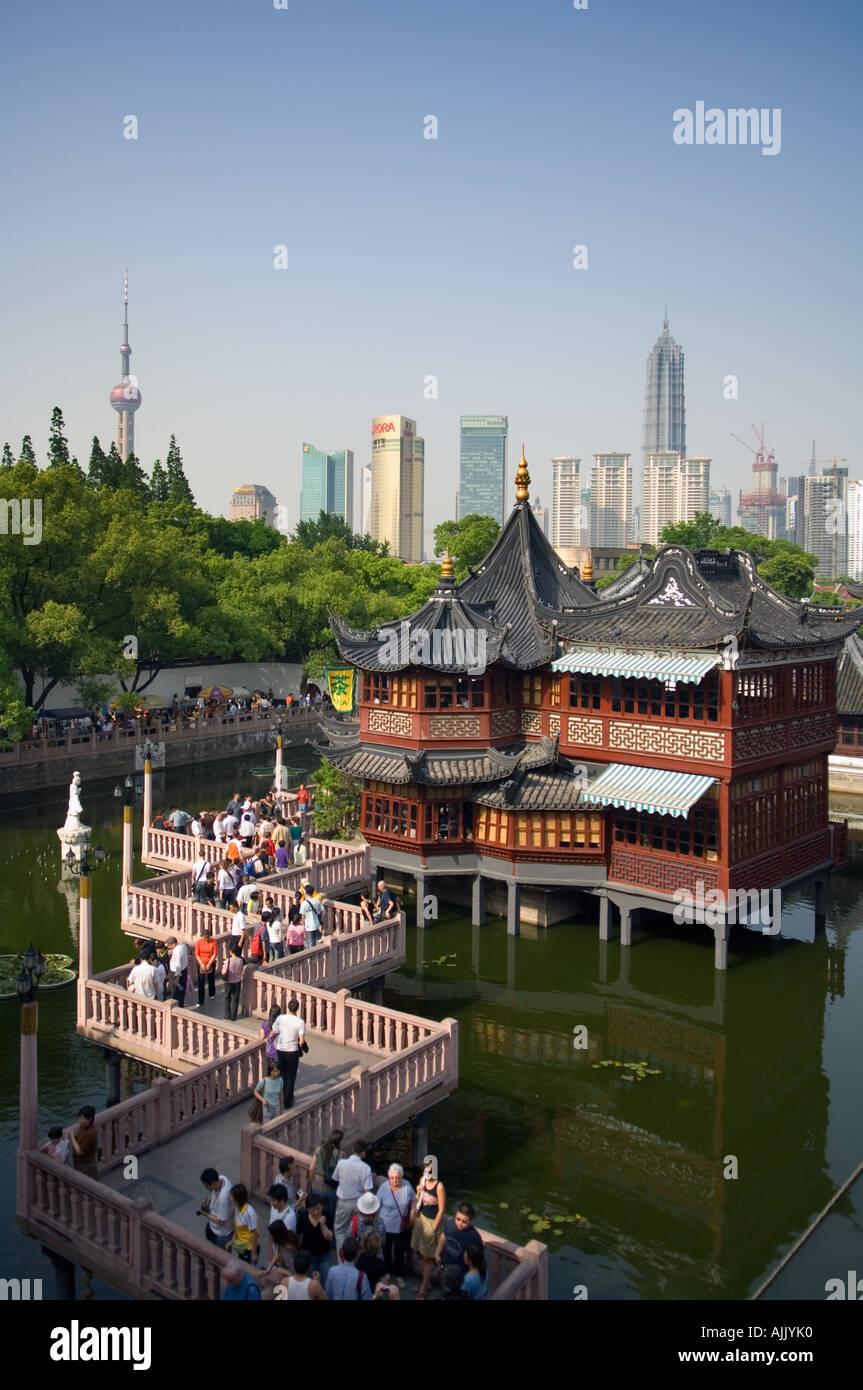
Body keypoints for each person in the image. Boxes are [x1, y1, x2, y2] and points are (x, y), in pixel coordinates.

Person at [411, 1156, 447, 1299]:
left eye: (429, 1171)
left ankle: (423, 1288)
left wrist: (434, 1228)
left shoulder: (439, 1187)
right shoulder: (422, 1181)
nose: (427, 1173)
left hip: (433, 1223)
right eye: (425, 1171)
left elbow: (442, 1209)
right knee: (421, 1253)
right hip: (422, 1220)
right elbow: (418, 1199)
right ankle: (427, 1283)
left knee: (428, 1258)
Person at [331, 1139, 373, 1251]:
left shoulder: (341, 1163)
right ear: (363, 1153)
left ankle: (342, 1259)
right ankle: (358, 1259)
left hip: (343, 1203)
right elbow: (367, 1192)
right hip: (359, 1204)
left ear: (353, 1149)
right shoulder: (366, 1168)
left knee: (340, 1231)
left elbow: (335, 1178)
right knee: (360, 1232)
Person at [378, 1162, 415, 1284]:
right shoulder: (383, 1188)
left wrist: (412, 1211)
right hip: (386, 1225)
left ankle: (399, 1275)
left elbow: (413, 1199)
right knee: (386, 1250)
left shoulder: (407, 1186)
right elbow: (377, 1205)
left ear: (402, 1177)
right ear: (389, 1177)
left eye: (397, 1178)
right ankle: (387, 1271)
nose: (395, 1180)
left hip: (400, 1226)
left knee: (399, 1251)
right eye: (392, 1178)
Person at [272, 998, 306, 1109]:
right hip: (292, 1051)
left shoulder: (280, 1018)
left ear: (288, 1007)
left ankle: (280, 1097)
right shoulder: (300, 1022)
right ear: (297, 1009)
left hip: (280, 1050)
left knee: (283, 1075)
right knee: (291, 1077)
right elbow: (301, 1041)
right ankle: (287, 1101)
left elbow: (274, 1032)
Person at [437, 1201, 484, 1274]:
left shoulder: (475, 1238)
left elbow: (478, 1259)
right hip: (445, 1265)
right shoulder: (450, 1223)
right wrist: (437, 1253)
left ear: (471, 1221)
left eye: (464, 1222)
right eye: (458, 1219)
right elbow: (444, 1236)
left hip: (461, 1273)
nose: (460, 1223)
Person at [295, 1196, 336, 1278]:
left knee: (325, 1280)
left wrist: (323, 1225)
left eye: (318, 1208)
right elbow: (298, 1235)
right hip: (308, 1258)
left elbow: (330, 1237)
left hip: (324, 1256)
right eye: (313, 1209)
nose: (316, 1212)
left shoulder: (327, 1216)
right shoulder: (303, 1217)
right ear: (308, 1209)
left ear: (322, 1207)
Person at [325, 1235, 372, 1300]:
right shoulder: (362, 1277)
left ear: (342, 1252)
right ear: (357, 1254)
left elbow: (328, 1294)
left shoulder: (332, 1271)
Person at [199, 1168, 233, 1248]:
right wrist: (210, 1199)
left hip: (222, 1233)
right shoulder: (222, 1178)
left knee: (221, 1255)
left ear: (213, 1184)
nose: (206, 1189)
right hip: (213, 1226)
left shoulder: (223, 1198)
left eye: (207, 1187)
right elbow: (214, 1192)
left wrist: (206, 1214)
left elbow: (222, 1221)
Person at [227, 1183, 259, 1264]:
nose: (230, 1197)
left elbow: (254, 1233)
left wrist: (254, 1254)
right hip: (242, 1245)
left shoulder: (249, 1212)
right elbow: (237, 1228)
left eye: (231, 1196)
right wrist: (233, 1240)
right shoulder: (237, 1207)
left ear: (237, 1198)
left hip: (249, 1248)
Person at [194, 931, 218, 1006]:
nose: (206, 939)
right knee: (201, 982)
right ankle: (200, 1000)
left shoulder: (214, 942)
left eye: (207, 937)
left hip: (210, 962)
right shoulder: (199, 942)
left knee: (211, 978)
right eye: (205, 937)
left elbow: (215, 954)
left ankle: (212, 993)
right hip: (201, 962)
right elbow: (197, 954)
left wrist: (209, 964)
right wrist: (201, 963)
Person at [222, 945, 245, 1021]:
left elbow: (224, 972)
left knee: (227, 998)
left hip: (229, 982)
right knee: (235, 999)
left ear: (231, 952)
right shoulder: (241, 960)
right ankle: (233, 1016)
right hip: (237, 982)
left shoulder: (228, 961)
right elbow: (242, 969)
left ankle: (227, 1014)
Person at [167, 936, 190, 1007]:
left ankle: (177, 1007)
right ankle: (181, 1005)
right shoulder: (183, 946)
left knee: (175, 992)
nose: (169, 947)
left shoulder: (177, 951)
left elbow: (178, 965)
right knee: (182, 990)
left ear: (173, 944)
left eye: (169, 945)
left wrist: (177, 978)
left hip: (177, 973)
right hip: (184, 970)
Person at [300, 882, 324, 949]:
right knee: (315, 940)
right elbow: (321, 911)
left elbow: (303, 916)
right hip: (316, 923)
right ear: (313, 892)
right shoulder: (317, 901)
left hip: (308, 925)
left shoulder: (304, 904)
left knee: (310, 942)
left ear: (306, 893)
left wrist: (302, 922)